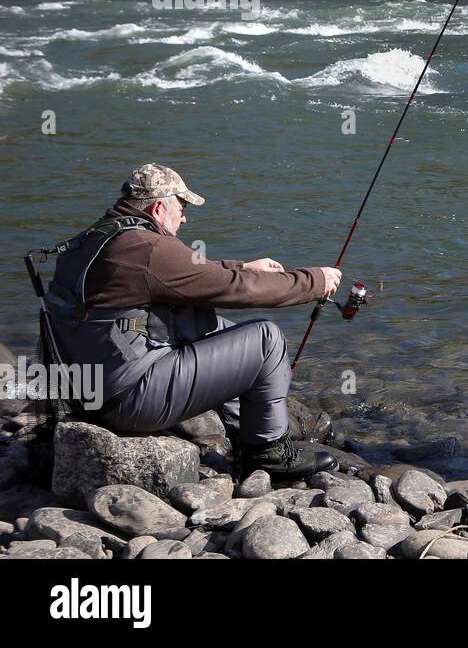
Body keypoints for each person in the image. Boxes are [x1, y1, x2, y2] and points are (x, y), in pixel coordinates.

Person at [43, 163, 341, 480]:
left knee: (209, 325)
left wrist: (243, 266)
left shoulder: (96, 238)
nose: (184, 218)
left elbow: (184, 275)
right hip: (127, 402)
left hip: (86, 394)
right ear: (159, 207)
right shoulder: (147, 248)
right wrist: (314, 282)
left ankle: (246, 435)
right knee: (265, 340)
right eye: (182, 208)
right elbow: (235, 289)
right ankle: (268, 454)